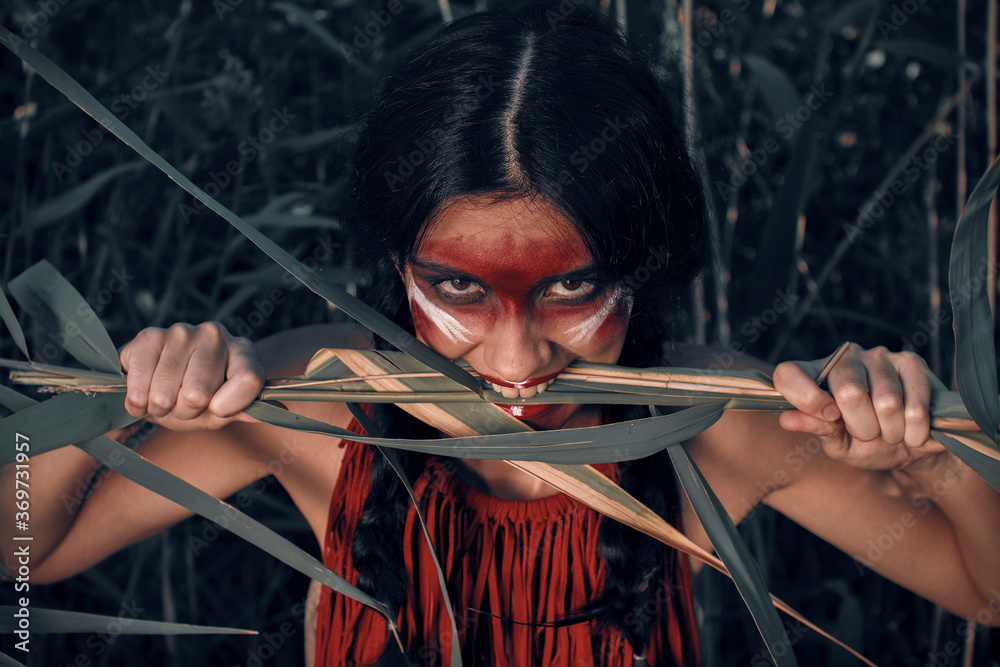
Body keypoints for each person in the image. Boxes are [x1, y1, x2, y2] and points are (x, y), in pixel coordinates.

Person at [4, 3, 999, 665]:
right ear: (394, 263)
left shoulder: (719, 428)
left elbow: (984, 594)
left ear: (641, 260)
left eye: (573, 287)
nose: (517, 362)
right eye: (458, 289)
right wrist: (107, 408)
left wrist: (936, 455)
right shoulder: (312, 398)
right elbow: (23, 556)